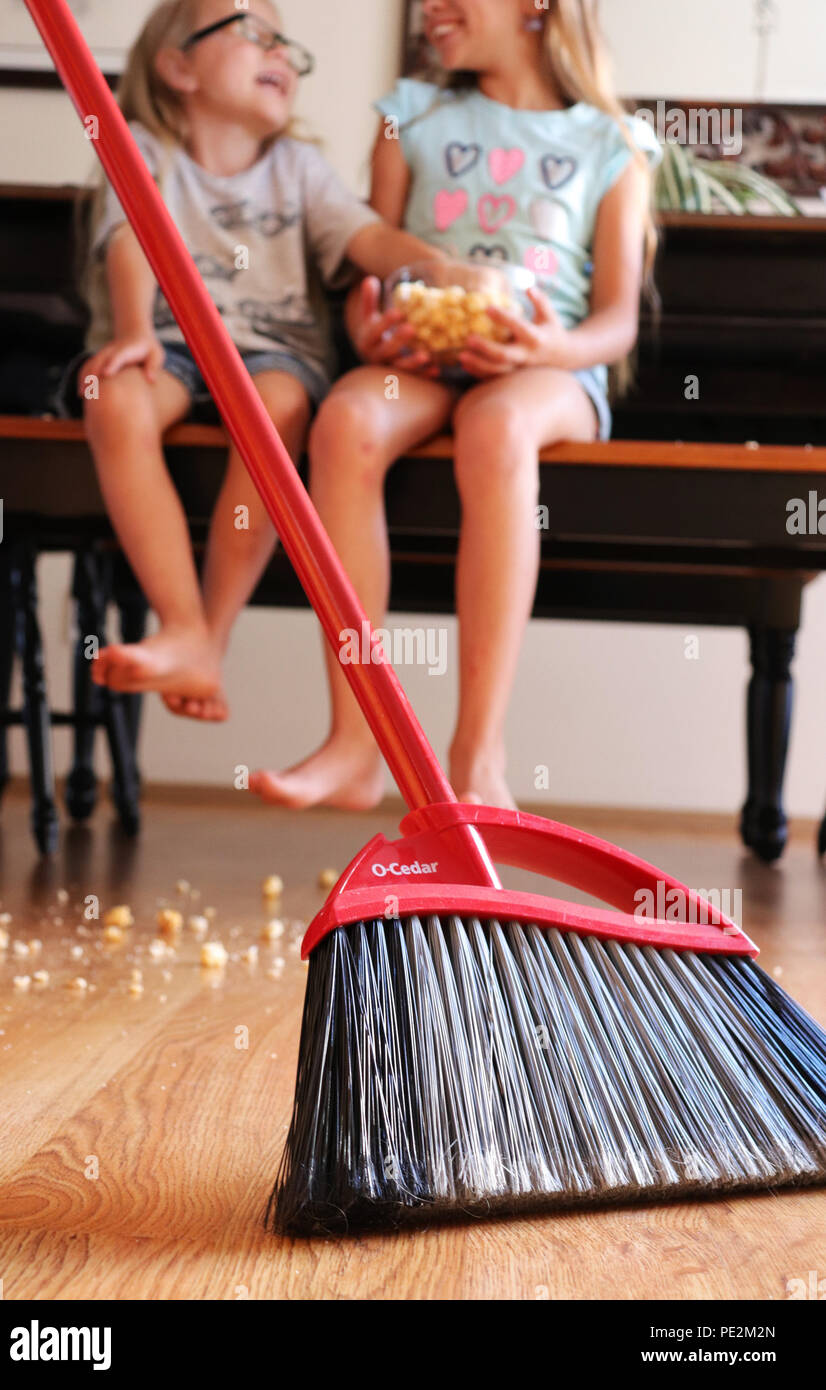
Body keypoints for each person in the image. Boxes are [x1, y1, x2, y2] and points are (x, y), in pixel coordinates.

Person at [251, 0, 661, 810]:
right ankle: (355, 740)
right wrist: (370, 328)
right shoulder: (411, 118)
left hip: (548, 373)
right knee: (347, 421)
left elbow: (615, 321)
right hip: (425, 360)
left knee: (497, 426)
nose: (430, 9)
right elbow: (383, 262)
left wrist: (550, 350)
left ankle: (477, 757)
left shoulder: (612, 145)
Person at [67, 0, 443, 721]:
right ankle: (180, 624)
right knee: (110, 397)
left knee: (275, 408)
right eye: (252, 34)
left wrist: (435, 265)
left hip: (274, 355)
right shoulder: (142, 149)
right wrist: (139, 327)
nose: (279, 53)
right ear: (178, 66)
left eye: (285, 44)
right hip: (167, 344)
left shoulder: (299, 168)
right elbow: (130, 233)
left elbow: (368, 239)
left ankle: (211, 637)